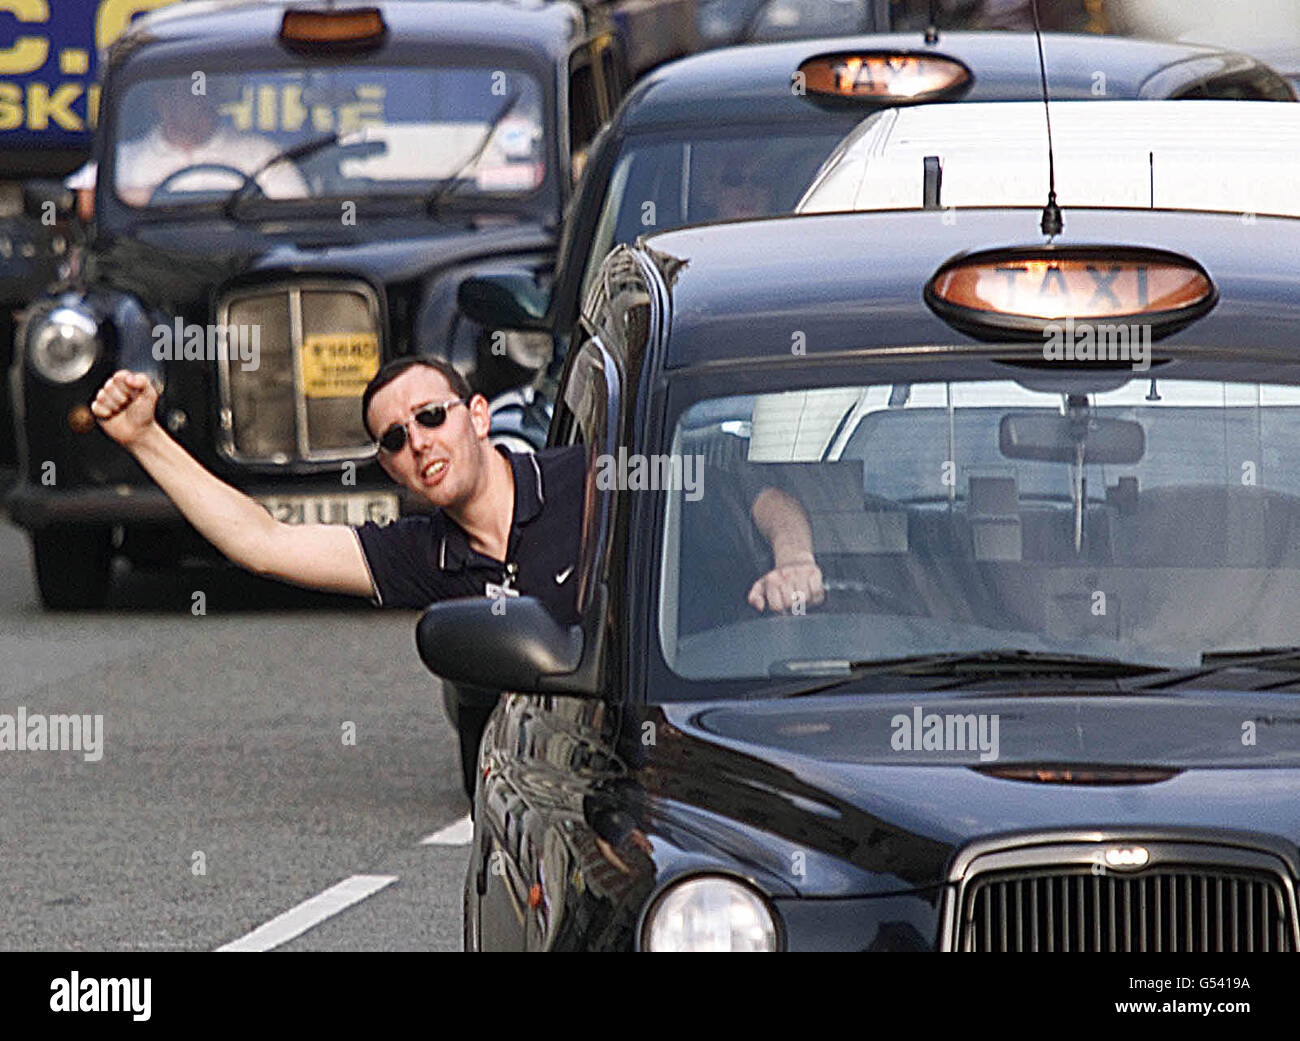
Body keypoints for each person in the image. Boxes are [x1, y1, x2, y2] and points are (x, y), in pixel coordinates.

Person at [90, 359, 823, 800]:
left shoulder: (593, 474)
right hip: (547, 778)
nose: (418, 442)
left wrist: (794, 561)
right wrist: (146, 440)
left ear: (476, 415)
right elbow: (263, 542)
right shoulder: (422, 553)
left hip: (682, 735)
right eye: (394, 439)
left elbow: (757, 493)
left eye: (430, 415)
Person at [115, 85, 308, 206]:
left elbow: (295, 213)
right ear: (158, 99)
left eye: (193, 92)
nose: (184, 102)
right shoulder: (124, 159)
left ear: (210, 98)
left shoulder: (262, 154)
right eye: (172, 92)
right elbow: (89, 200)